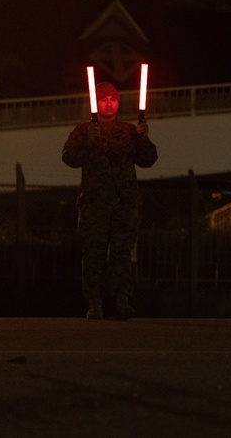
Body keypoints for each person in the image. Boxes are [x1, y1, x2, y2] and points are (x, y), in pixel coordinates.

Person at [62, 81, 157, 320]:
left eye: (113, 99)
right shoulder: (84, 131)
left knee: (122, 253)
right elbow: (69, 158)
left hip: (124, 204)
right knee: (93, 254)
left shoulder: (128, 131)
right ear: (95, 102)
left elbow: (148, 160)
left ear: (118, 102)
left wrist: (143, 138)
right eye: (103, 99)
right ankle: (94, 302)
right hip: (95, 204)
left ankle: (122, 300)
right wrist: (88, 142)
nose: (108, 103)